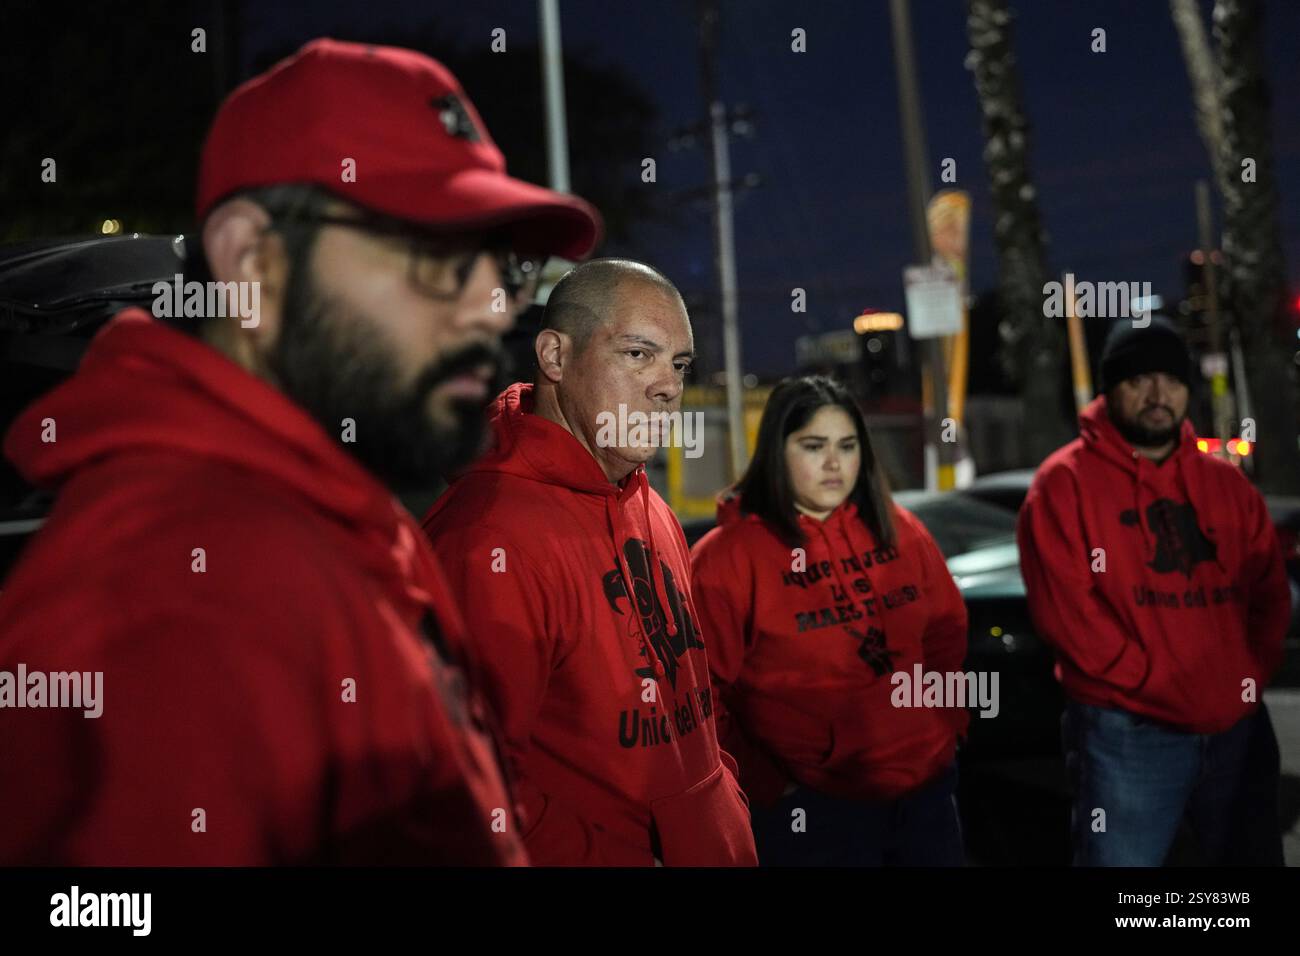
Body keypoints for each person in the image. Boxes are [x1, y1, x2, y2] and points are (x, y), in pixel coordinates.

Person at [0, 38, 600, 865]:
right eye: (434, 258)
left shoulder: (330, 506)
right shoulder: (167, 595)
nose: (492, 310)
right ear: (254, 259)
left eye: (503, 267)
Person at [421, 258, 757, 866]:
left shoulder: (651, 505)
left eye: (679, 364)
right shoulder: (482, 540)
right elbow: (468, 785)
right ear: (554, 356)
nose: (668, 385)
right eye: (637, 354)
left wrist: (720, 805)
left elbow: (695, 719)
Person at [1017, 316, 1289, 866]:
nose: (1158, 394)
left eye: (1171, 379)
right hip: (1129, 732)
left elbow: (1269, 592)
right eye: (1138, 379)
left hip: (1235, 727)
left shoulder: (1225, 485)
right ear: (1110, 388)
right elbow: (1066, 614)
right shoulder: (1064, 483)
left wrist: (1248, 674)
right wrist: (1144, 681)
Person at [690, 376, 969, 866]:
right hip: (813, 810)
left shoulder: (901, 529)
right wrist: (765, 782)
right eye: (813, 446)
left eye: (848, 445)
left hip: (926, 794)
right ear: (777, 450)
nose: (835, 463)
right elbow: (701, 692)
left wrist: (946, 728)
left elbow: (945, 632)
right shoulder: (725, 559)